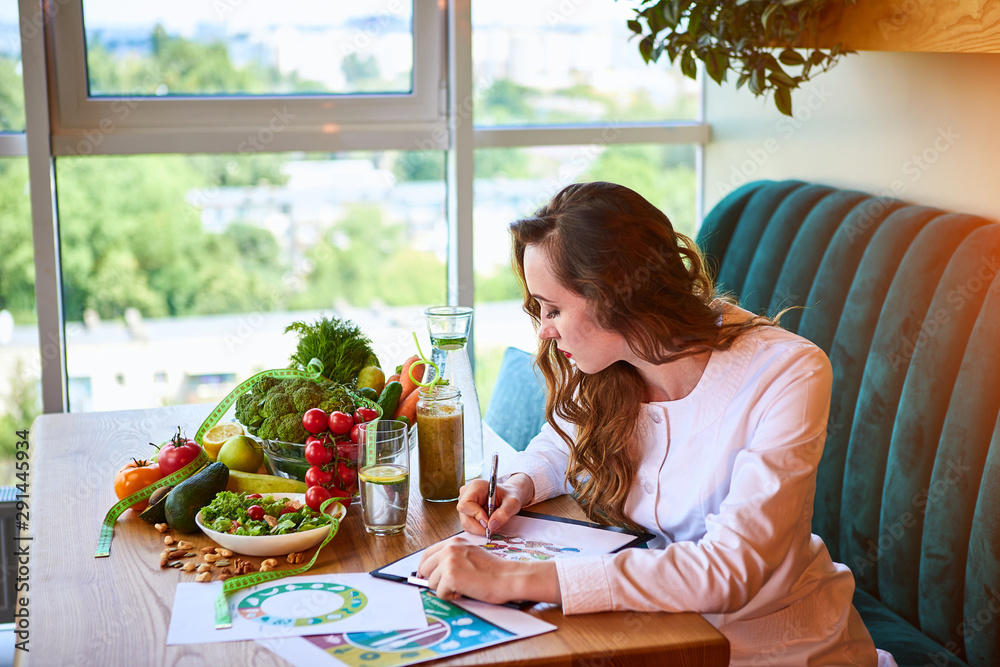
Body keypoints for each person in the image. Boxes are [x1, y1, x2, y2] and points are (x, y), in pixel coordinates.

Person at [417, 181, 895, 666]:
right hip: (645, 634)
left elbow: (730, 570)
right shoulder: (610, 361)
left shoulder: (787, 372)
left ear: (612, 295)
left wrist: (513, 578)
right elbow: (562, 443)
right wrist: (518, 484)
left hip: (774, 650)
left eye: (554, 308)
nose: (544, 328)